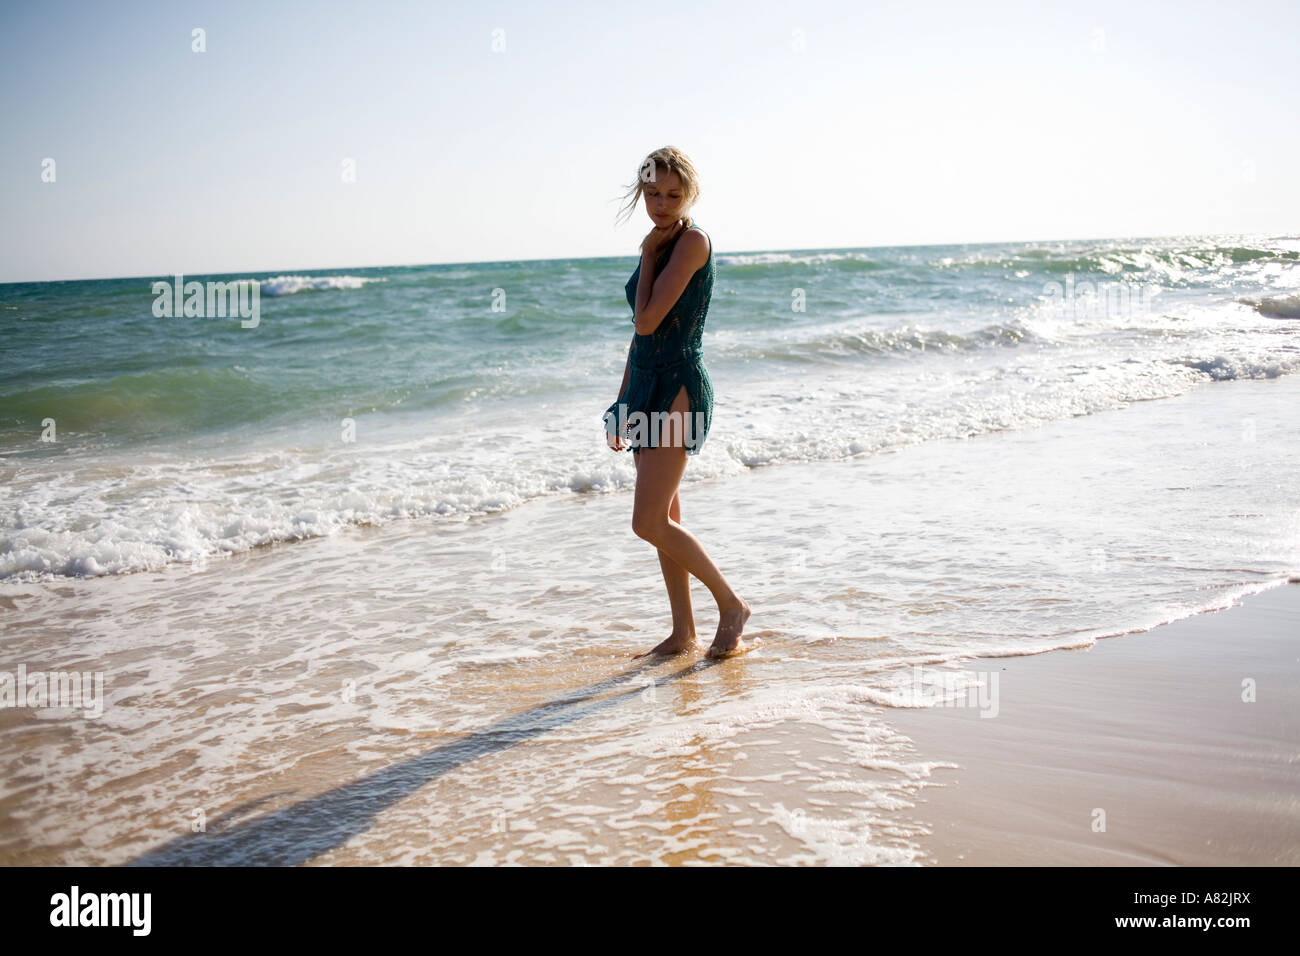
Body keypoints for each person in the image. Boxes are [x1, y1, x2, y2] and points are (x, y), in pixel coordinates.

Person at [603, 146, 752, 659]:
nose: (661, 203)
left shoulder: (690, 242)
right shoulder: (661, 242)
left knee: (647, 522)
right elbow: (640, 338)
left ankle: (732, 605)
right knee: (665, 515)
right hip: (645, 386)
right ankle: (683, 631)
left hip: (678, 388)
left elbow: (646, 319)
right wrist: (622, 400)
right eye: (652, 193)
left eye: (672, 194)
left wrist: (647, 256)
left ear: (690, 194)